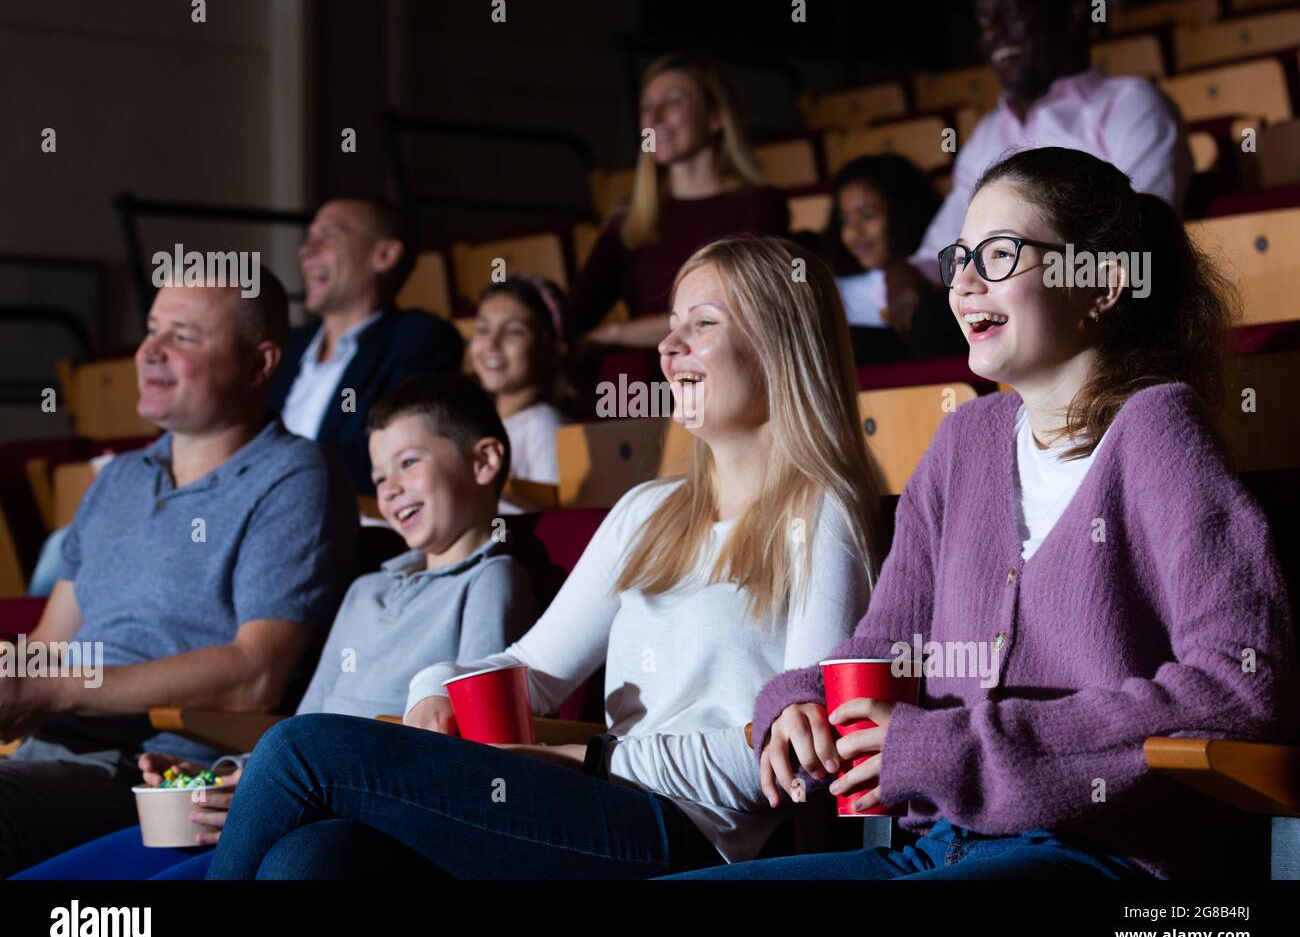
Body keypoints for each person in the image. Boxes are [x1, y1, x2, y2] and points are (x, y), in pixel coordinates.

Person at [667, 148, 1297, 881]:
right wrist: (800, 698)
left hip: (1094, 856)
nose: (962, 284)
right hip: (935, 850)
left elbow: (1241, 688)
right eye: (959, 258)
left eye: (998, 256)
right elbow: (884, 646)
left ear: (1099, 284)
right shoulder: (964, 440)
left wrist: (954, 747)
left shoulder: (1159, 431)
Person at [205, 234, 884, 880]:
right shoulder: (649, 510)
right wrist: (433, 688)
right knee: (317, 857)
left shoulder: (824, 513)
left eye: (701, 325)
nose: (669, 347)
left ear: (778, 346)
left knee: (301, 751)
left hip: (694, 836)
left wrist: (584, 759)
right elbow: (531, 670)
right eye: (672, 325)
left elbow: (792, 753)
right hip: (591, 802)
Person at [10, 374, 536, 879]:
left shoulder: (494, 581)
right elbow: (305, 720)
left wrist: (286, 784)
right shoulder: (366, 590)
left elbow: (472, 748)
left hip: (366, 803)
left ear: (485, 460)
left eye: (409, 463)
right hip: (294, 787)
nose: (391, 489)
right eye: (378, 477)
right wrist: (226, 773)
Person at [0, 275, 359, 877]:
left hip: (157, 771)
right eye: (150, 331)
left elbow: (255, 675)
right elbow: (46, 649)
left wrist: (54, 689)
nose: (149, 351)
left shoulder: (294, 476)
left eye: (182, 335)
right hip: (46, 753)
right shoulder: (117, 480)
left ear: (259, 363)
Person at [889, 0, 1192, 357]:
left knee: (936, 325)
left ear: (1071, 15)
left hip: (1095, 310)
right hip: (998, 307)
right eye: (983, 22)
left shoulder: (1131, 103)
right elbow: (944, 248)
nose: (992, 33)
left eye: (1009, 13)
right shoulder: (988, 131)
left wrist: (1022, 272)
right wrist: (904, 272)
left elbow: (1138, 243)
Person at [569, 55, 789, 345]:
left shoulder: (759, 204)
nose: (655, 118)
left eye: (673, 102)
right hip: (644, 382)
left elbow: (737, 313)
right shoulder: (631, 220)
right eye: (646, 107)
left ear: (715, 117)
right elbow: (572, 317)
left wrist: (616, 335)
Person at [271, 196, 464, 493]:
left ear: (384, 255)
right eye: (309, 238)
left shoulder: (419, 340)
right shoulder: (290, 344)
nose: (306, 251)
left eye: (329, 236)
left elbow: (383, 458)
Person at [820, 155, 942, 366]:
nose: (854, 232)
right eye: (846, 220)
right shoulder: (835, 290)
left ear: (903, 213)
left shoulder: (937, 273)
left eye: (867, 216)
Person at [468, 277, 571, 512]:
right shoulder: (474, 424)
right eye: (483, 329)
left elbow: (553, 516)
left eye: (513, 332)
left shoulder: (543, 424)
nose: (492, 344)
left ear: (550, 348)